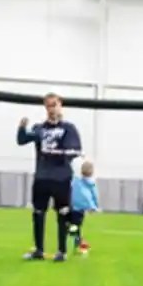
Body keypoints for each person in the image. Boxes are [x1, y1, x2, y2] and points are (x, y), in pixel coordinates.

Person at [17, 93, 82, 261]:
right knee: (38, 213)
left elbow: (76, 150)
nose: (52, 109)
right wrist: (22, 128)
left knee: (62, 213)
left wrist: (58, 152)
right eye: (48, 106)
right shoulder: (40, 129)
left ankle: (62, 251)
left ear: (61, 105)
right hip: (42, 177)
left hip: (61, 178)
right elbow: (22, 140)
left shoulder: (69, 128)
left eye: (54, 105)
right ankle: (39, 250)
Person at [68, 159, 100, 256]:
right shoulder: (91, 183)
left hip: (73, 207)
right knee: (75, 227)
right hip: (80, 209)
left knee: (73, 228)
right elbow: (95, 196)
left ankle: (80, 244)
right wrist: (94, 206)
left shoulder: (76, 180)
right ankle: (78, 243)